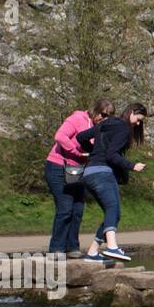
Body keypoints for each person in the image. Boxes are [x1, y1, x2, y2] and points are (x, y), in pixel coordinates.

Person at [78, 103, 148, 263]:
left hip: (89, 172)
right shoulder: (123, 128)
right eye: (138, 119)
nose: (138, 123)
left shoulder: (104, 124)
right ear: (131, 112)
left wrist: (94, 152)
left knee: (112, 214)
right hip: (102, 173)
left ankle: (92, 252)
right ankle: (112, 247)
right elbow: (111, 155)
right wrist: (132, 165)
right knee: (113, 209)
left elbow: (80, 137)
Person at [46, 99, 111, 256]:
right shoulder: (77, 119)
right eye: (103, 114)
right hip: (58, 167)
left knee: (77, 209)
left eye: (109, 116)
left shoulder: (99, 128)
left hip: (78, 169)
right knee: (65, 207)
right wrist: (76, 152)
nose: (105, 118)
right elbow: (60, 137)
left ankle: (72, 247)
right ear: (95, 111)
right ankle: (56, 248)